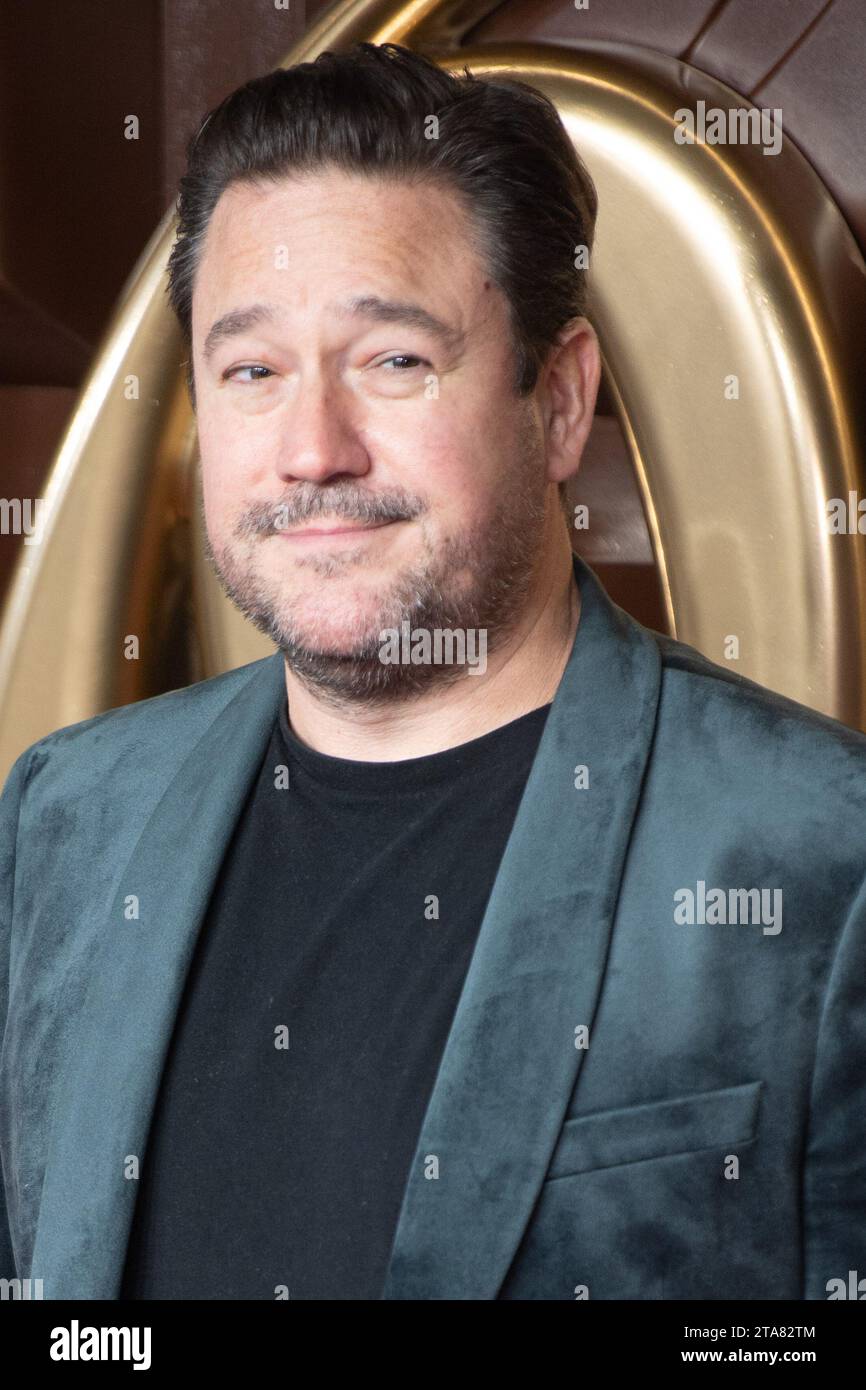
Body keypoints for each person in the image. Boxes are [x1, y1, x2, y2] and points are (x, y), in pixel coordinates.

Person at [1, 42, 864, 1302]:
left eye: (394, 360)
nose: (311, 450)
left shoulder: (818, 851)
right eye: (251, 372)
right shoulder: (64, 817)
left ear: (558, 403)